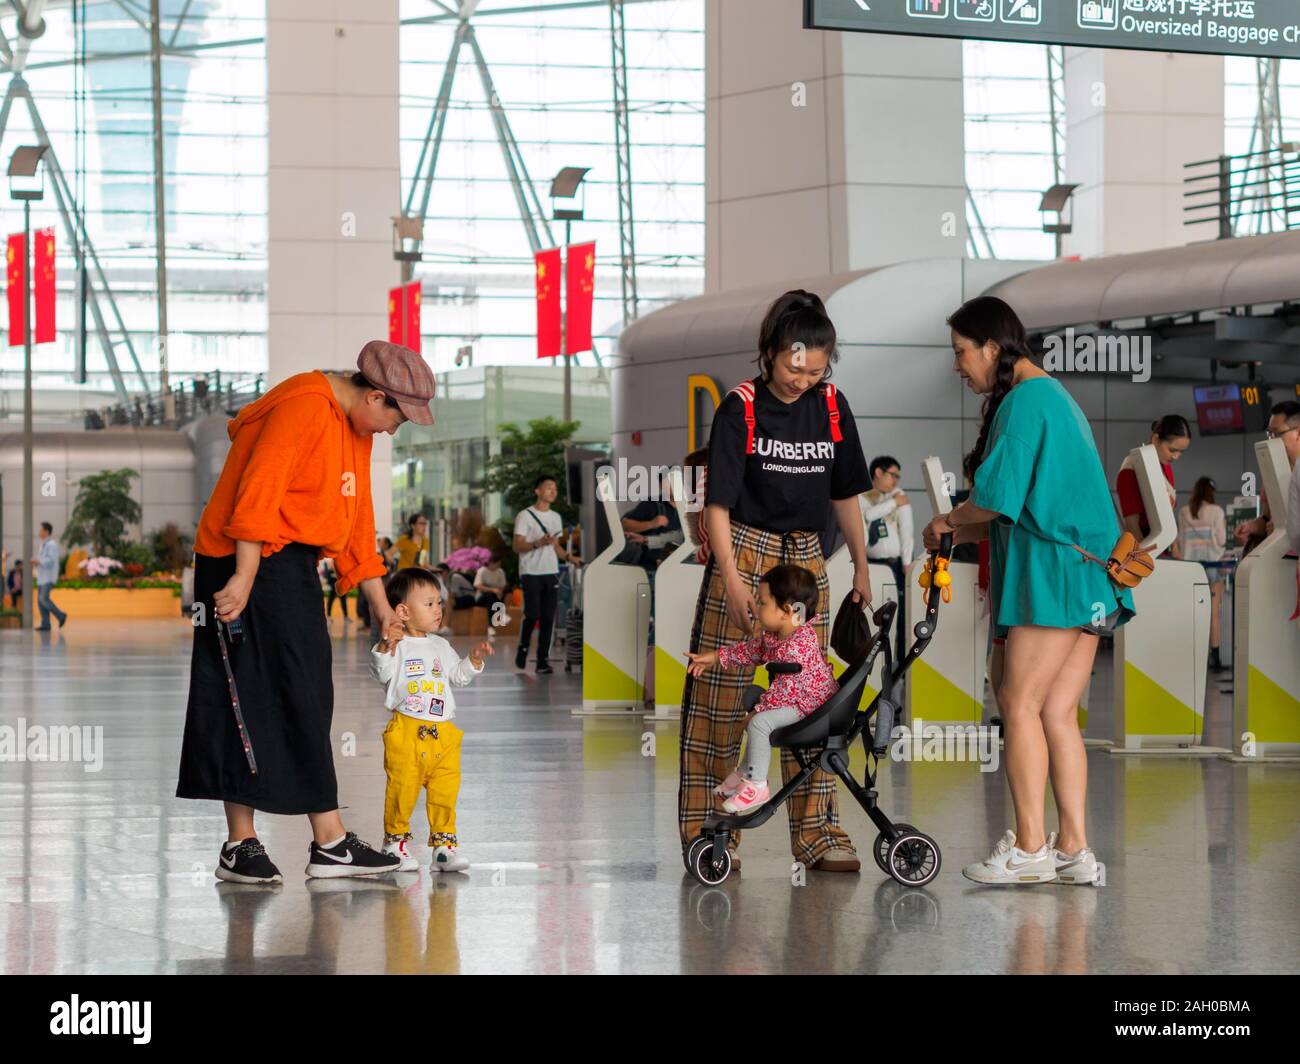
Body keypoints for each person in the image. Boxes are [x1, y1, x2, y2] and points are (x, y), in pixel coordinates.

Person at [177, 340, 434, 884]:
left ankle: (330, 841)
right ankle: (240, 844)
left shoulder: (355, 428)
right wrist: (243, 578)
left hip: (290, 564)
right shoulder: (302, 405)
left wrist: (383, 606)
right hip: (238, 558)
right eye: (397, 416)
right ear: (376, 394)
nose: (394, 430)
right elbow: (257, 494)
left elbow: (357, 519)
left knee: (308, 690)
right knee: (241, 695)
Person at [921, 295, 1133, 887]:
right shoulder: (1059, 398)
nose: (958, 366)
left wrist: (946, 522)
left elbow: (997, 500)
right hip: (1092, 576)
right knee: (1058, 713)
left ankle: (1032, 850)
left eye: (962, 353)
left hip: (1052, 575)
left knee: (1018, 706)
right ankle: (1073, 849)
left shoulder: (1024, 401)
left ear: (992, 346)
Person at [683, 289, 872, 874]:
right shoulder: (739, 408)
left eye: (816, 370)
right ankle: (712, 834)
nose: (803, 379)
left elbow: (845, 495)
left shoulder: (833, 407)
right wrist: (735, 584)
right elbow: (716, 506)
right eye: (795, 366)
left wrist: (861, 565)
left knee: (810, 701)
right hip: (742, 548)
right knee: (719, 702)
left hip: (808, 562)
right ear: (769, 352)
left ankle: (819, 835)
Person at [686, 565, 838, 815]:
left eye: (763, 603)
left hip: (811, 707)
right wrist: (715, 657)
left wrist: (755, 713)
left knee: (758, 723)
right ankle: (746, 773)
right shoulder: (779, 635)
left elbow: (783, 693)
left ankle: (756, 784)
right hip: (797, 700)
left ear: (786, 611)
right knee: (756, 710)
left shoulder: (797, 646)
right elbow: (752, 650)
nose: (756, 608)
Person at [370, 567, 493, 874]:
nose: (438, 610)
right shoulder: (395, 644)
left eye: (439, 603)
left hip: (444, 734)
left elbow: (457, 677)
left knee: (445, 790)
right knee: (402, 789)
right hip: (407, 732)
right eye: (429, 604)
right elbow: (382, 672)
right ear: (403, 611)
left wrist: (473, 660)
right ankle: (395, 844)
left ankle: (444, 847)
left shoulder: (439, 645)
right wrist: (385, 647)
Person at [513, 474, 569, 674]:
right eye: (548, 487)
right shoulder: (525, 516)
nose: (553, 491)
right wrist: (538, 543)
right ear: (537, 491)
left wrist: (570, 557)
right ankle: (523, 648)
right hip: (530, 572)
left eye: (554, 488)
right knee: (533, 614)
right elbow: (516, 545)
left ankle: (542, 660)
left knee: (547, 617)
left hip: (551, 571)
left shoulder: (555, 518)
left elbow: (556, 547)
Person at [860, 455, 912, 662]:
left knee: (899, 619)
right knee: (872, 616)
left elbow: (906, 532)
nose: (896, 481)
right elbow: (867, 516)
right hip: (870, 565)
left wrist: (907, 563)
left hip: (895, 564)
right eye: (893, 475)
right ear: (878, 473)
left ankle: (897, 669)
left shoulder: (899, 495)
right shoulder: (862, 496)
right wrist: (893, 503)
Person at [1118, 415, 1191, 558]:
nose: (1176, 457)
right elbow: (1133, 527)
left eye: (1181, 452)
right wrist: (1143, 562)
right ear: (1156, 439)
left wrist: (1175, 549)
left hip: (1162, 550)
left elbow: (1168, 516)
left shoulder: (1165, 467)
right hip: (1146, 551)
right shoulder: (1130, 469)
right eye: (1172, 450)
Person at [1235, 400, 1300, 555]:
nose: (1272, 440)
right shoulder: (1271, 473)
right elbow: (1267, 518)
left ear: (1298, 432)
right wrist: (1252, 527)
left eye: (1278, 433)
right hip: (1280, 559)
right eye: (1270, 434)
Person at [1177, 477, 1227, 670]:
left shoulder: (1184, 512)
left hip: (1191, 569)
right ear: (1211, 492)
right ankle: (1214, 658)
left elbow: (1181, 541)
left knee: (1192, 613)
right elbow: (1221, 539)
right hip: (1212, 566)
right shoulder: (1216, 511)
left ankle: (1192, 655)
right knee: (1213, 614)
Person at [33, 522, 67, 630]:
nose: (39, 532)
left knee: (43, 599)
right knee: (40, 601)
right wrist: (37, 561)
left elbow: (51, 560)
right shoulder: (43, 544)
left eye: (41, 530)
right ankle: (45, 624)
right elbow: (43, 559)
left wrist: (38, 561)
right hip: (42, 577)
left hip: (48, 577)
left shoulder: (51, 544)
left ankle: (60, 615)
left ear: (46, 531)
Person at [474, 550, 510, 639]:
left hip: (496, 597)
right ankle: (492, 624)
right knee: (490, 596)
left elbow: (503, 585)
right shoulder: (482, 571)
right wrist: (492, 590)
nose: (498, 566)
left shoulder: (500, 572)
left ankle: (500, 615)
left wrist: (500, 591)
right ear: (490, 562)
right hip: (482, 597)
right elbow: (478, 585)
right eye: (497, 563)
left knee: (502, 594)